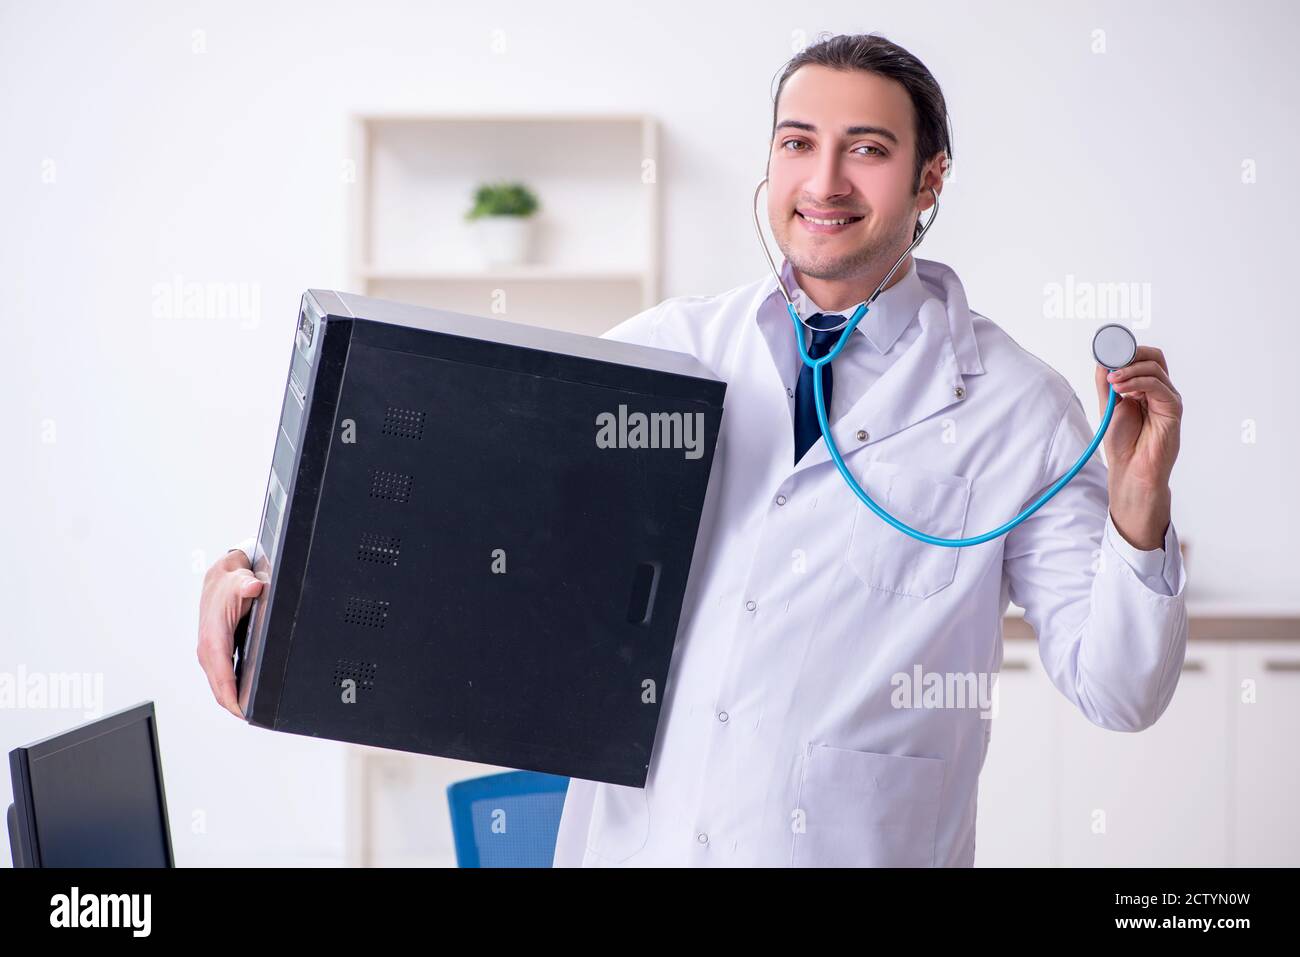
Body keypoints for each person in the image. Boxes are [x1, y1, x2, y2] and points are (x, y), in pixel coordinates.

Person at [197, 32, 1187, 867]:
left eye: (868, 148)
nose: (825, 180)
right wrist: (259, 586)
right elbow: (464, 507)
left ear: (930, 180)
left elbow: (1117, 689)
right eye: (799, 143)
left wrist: (1138, 513)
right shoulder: (668, 354)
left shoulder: (1015, 407)